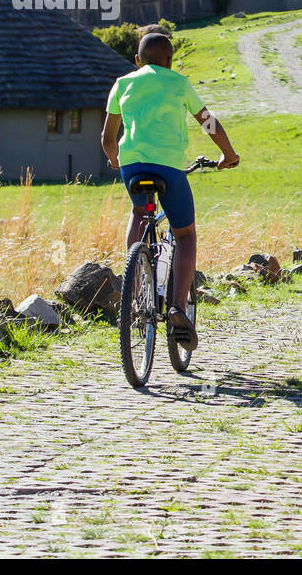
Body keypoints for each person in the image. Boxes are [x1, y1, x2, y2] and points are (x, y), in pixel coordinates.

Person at [101, 32, 239, 351]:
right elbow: (208, 123)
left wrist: (113, 160)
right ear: (170, 61)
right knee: (185, 234)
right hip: (169, 167)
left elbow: (108, 137)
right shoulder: (179, 83)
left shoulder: (122, 83)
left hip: (132, 165)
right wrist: (228, 156)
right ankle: (177, 307)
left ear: (137, 61)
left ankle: (134, 276)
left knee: (139, 212)